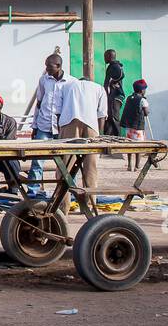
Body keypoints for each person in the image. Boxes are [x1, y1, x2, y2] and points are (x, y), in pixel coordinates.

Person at [58, 77, 108, 210]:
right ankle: (90, 204)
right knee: (91, 167)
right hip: (91, 125)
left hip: (69, 122)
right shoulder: (98, 88)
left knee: (65, 168)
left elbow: (58, 111)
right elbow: (102, 114)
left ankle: (64, 206)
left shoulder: (66, 86)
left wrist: (60, 132)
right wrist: (99, 135)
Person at [29, 54, 74, 198]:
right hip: (44, 125)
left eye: (49, 66)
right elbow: (39, 103)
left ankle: (69, 192)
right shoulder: (43, 80)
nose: (46, 69)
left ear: (58, 66)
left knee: (68, 162)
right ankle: (33, 192)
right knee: (37, 160)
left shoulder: (71, 82)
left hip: (62, 128)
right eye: (46, 66)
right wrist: (34, 126)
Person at [120, 79, 151, 172]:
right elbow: (146, 113)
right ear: (142, 90)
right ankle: (137, 166)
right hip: (138, 128)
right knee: (139, 146)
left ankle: (129, 165)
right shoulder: (142, 100)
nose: (145, 91)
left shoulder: (129, 98)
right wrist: (147, 111)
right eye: (145, 89)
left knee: (130, 145)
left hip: (129, 127)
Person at [103, 49, 126, 136]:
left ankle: (118, 137)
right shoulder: (112, 66)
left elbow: (121, 74)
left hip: (115, 96)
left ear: (109, 56)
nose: (104, 58)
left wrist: (113, 81)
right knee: (109, 118)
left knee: (113, 117)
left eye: (105, 56)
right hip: (111, 97)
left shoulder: (115, 65)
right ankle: (108, 136)